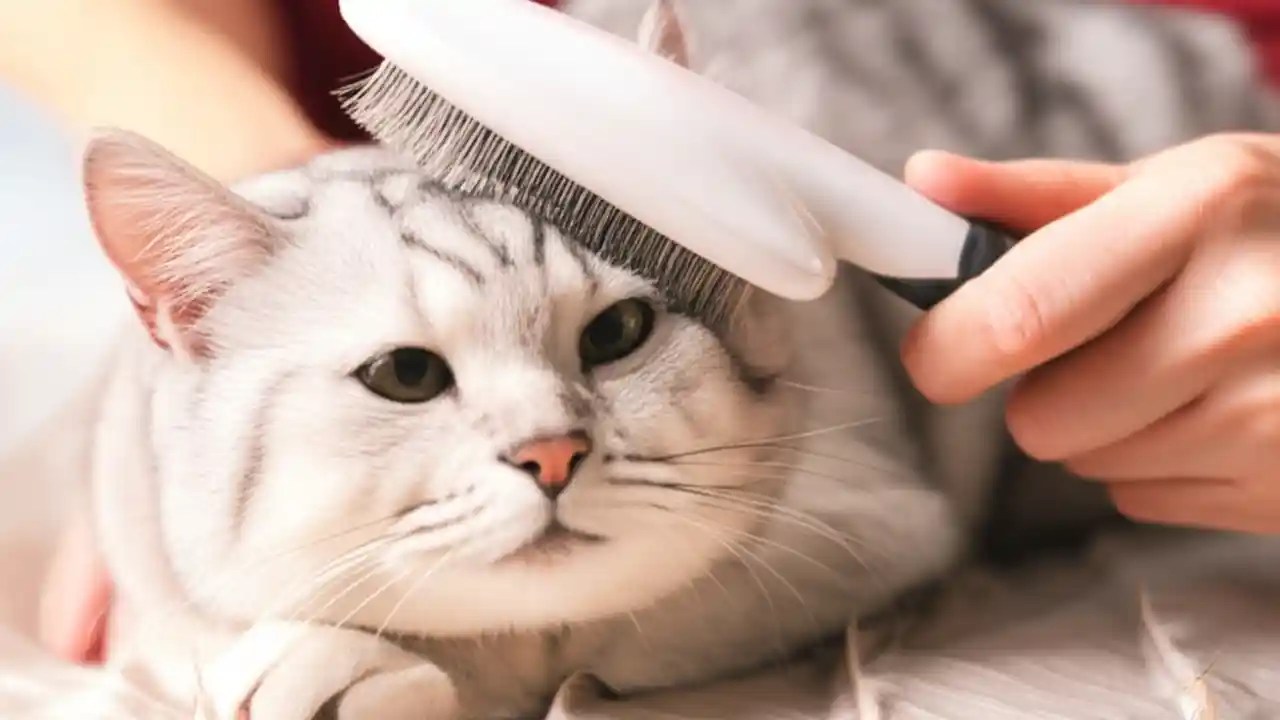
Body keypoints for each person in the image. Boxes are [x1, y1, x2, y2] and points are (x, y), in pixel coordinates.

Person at [2, 0, 1277, 670]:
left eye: (614, 334)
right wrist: (254, 213)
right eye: (406, 373)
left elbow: (882, 528)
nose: (547, 447)